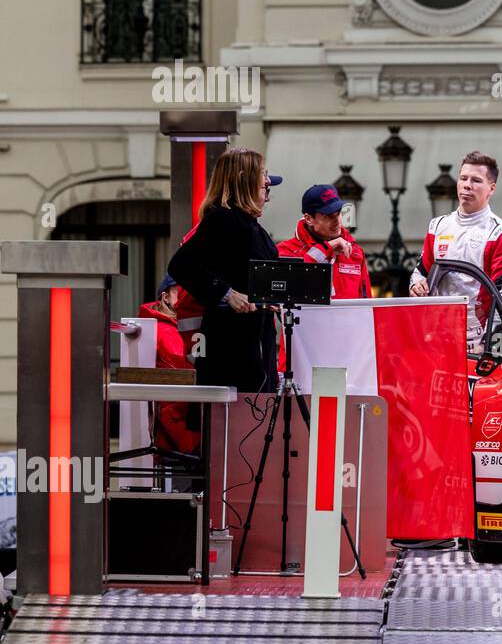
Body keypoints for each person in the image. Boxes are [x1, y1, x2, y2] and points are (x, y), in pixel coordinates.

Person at [167, 148, 283, 394]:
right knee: (234, 423)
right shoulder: (222, 219)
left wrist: (269, 298)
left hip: (255, 341)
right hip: (232, 347)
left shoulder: (251, 225)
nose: (268, 195)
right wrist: (228, 293)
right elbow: (180, 265)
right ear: (245, 180)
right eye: (265, 186)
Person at [409, 151, 502, 353]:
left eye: (476, 180)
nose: (467, 185)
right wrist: (417, 285)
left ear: (491, 188)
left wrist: (490, 344)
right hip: (435, 337)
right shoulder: (437, 226)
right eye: (463, 178)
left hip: (476, 342)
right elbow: (420, 272)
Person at [277, 184, 372, 300]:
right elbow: (289, 289)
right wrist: (327, 248)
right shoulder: (286, 251)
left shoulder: (355, 252)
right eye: (328, 216)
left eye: (339, 213)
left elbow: (367, 302)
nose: (337, 221)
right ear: (309, 219)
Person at [137, 274, 196, 455]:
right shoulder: (165, 331)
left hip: (177, 420)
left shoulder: (173, 326)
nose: (187, 298)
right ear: (166, 297)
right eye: (181, 293)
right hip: (179, 422)